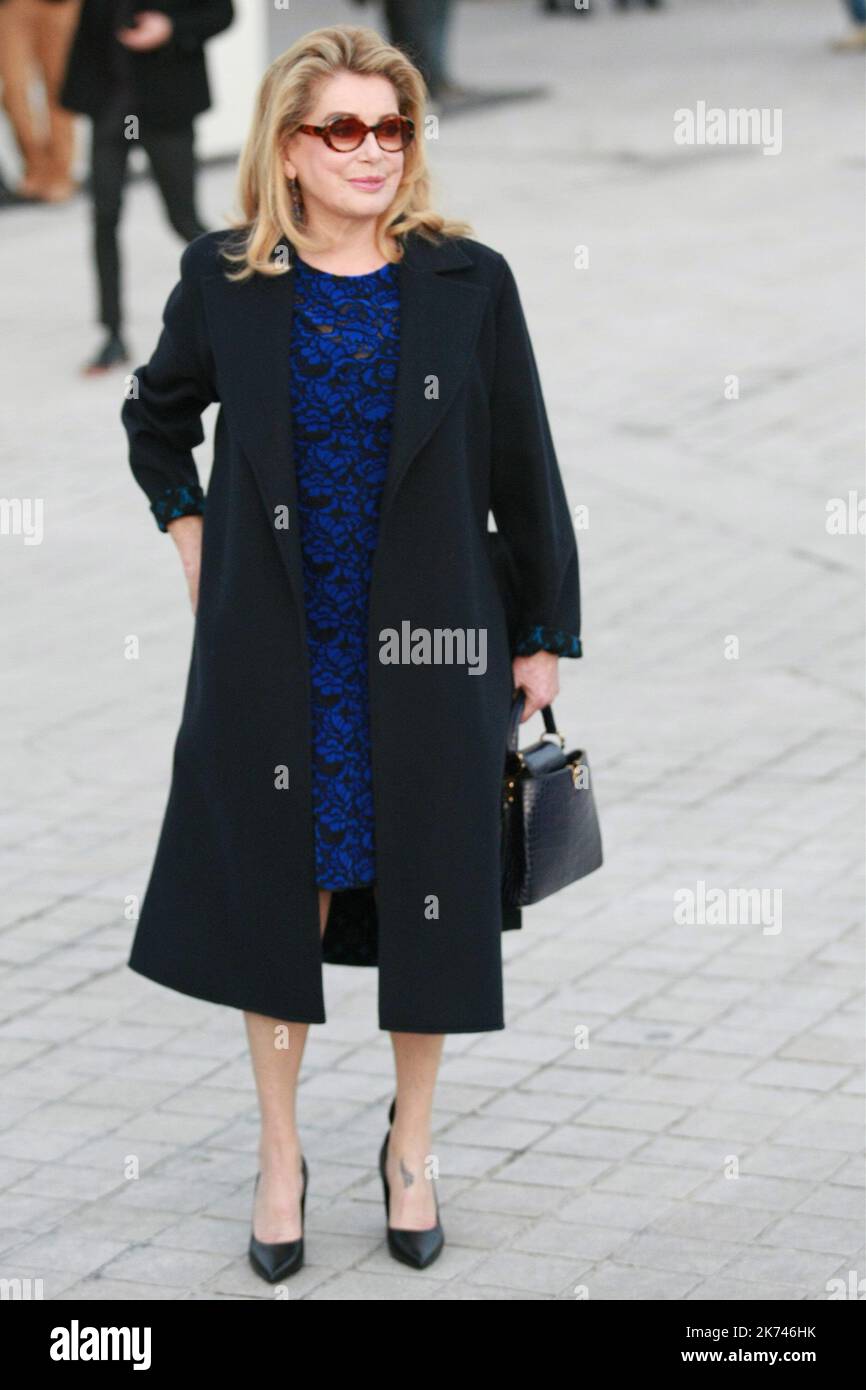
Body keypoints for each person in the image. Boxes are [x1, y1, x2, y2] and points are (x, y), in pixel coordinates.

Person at [120, 24, 583, 1281]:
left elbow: (520, 464)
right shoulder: (225, 280)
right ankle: (281, 1155)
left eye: (393, 128)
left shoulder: (465, 281)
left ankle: (411, 1146)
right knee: (286, 892)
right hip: (279, 643)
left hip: (434, 638)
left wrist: (542, 635)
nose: (373, 150)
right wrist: (189, 532)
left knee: (431, 890)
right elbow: (155, 419)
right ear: (287, 146)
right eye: (343, 129)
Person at [58, 0, 234, 373]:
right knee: (104, 217)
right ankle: (112, 333)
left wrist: (170, 27)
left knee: (184, 221)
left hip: (166, 105)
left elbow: (221, 12)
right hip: (112, 106)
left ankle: (245, 304)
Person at [0, 0, 82, 202]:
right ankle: (35, 167)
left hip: (59, 6)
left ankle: (60, 171)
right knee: (13, 88)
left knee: (60, 87)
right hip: (10, 7)